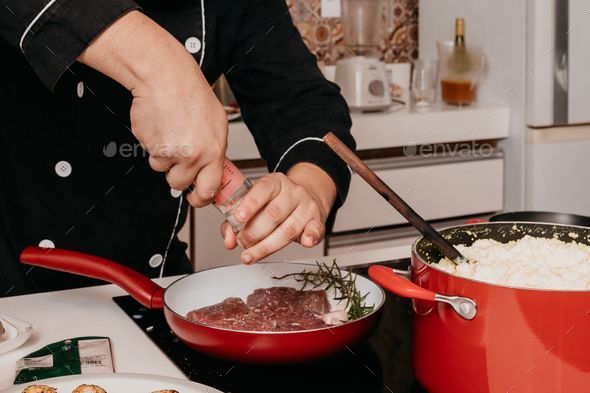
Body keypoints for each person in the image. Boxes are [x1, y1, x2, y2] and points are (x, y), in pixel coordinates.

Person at [0, 0, 355, 296]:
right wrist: (161, 66)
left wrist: (309, 188)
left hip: (150, 285)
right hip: (12, 287)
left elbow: (302, 101)